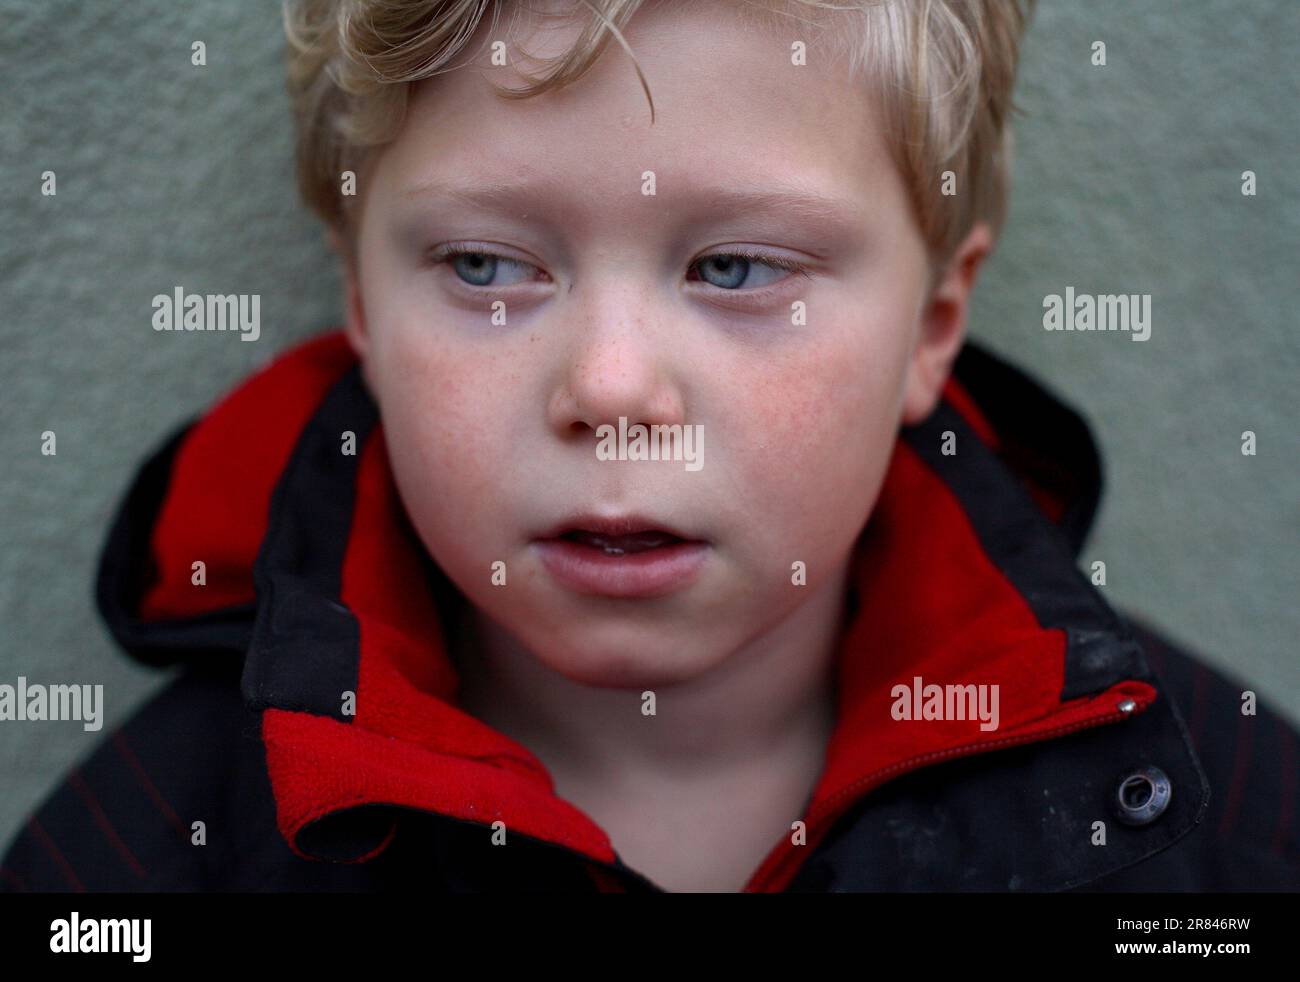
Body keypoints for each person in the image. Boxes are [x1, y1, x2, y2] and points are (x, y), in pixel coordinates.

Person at [3, 0, 1296, 893]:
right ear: (360, 302)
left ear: (934, 323)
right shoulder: (156, 856)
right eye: (487, 264)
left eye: (735, 265)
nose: (610, 387)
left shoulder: (1215, 823)